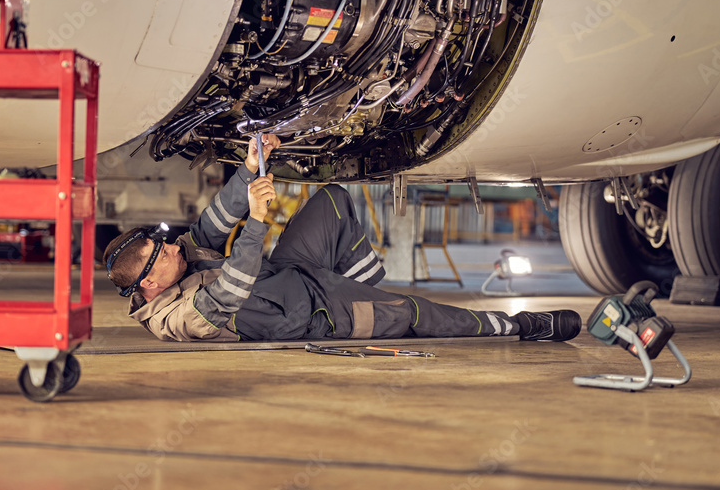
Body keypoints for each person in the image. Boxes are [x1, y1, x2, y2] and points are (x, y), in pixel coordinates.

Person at [104, 136, 582, 343]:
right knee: (419, 314)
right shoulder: (176, 318)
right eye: (159, 253)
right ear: (148, 285)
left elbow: (213, 221)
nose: (171, 247)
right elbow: (230, 291)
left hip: (296, 273)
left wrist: (249, 167)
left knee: (331, 200)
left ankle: (367, 291)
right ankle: (518, 327)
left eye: (160, 241)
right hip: (313, 318)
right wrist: (256, 223)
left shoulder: (179, 258)